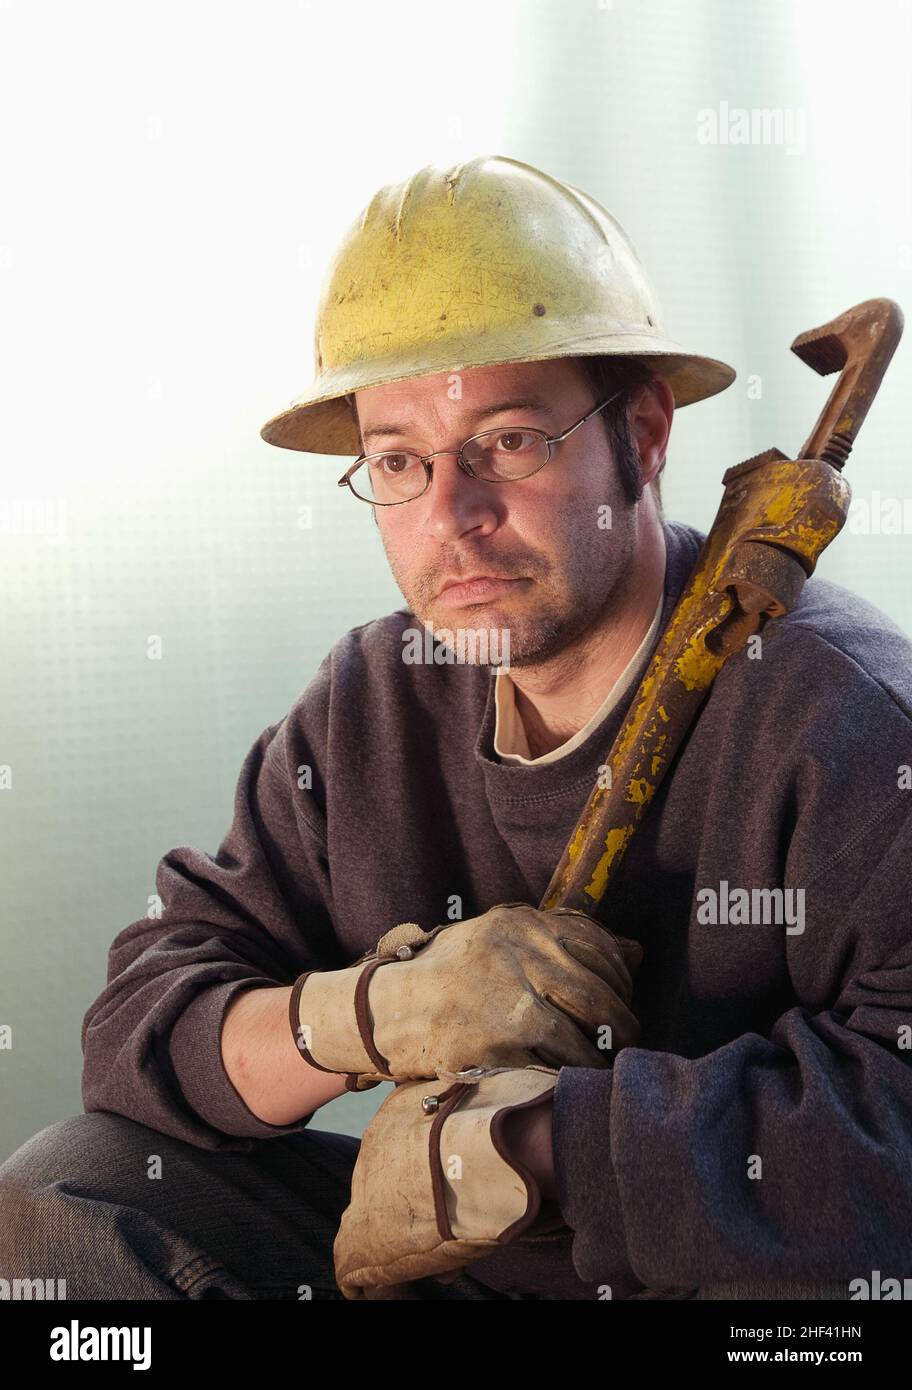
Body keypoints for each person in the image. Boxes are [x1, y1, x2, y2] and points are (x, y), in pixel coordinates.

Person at [2, 155, 911, 1301]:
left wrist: (529, 1149)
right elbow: (139, 1022)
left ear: (643, 435)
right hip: (467, 1285)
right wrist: (372, 1015)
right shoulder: (376, 701)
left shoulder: (842, 717)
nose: (451, 515)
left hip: (724, 1296)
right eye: (398, 460)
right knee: (74, 1190)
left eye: (510, 440)